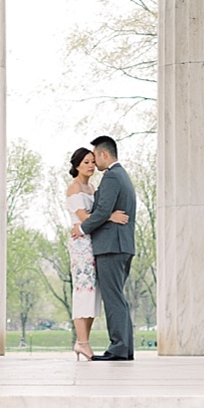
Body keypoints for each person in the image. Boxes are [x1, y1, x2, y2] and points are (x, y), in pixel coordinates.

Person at [78, 132, 138, 361]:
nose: (94, 161)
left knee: (113, 298)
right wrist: (108, 215)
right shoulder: (123, 175)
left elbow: (102, 210)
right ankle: (125, 348)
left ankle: (118, 349)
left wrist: (83, 228)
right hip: (121, 245)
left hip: (111, 246)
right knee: (117, 298)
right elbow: (107, 212)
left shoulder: (112, 177)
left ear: (104, 154)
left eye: (95, 156)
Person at [64, 146, 101, 360]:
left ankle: (82, 342)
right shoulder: (74, 188)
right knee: (83, 288)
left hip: (94, 241)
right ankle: (83, 343)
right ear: (77, 164)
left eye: (93, 162)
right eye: (86, 162)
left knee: (94, 291)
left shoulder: (92, 188)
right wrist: (110, 217)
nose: (90, 166)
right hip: (81, 243)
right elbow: (85, 219)